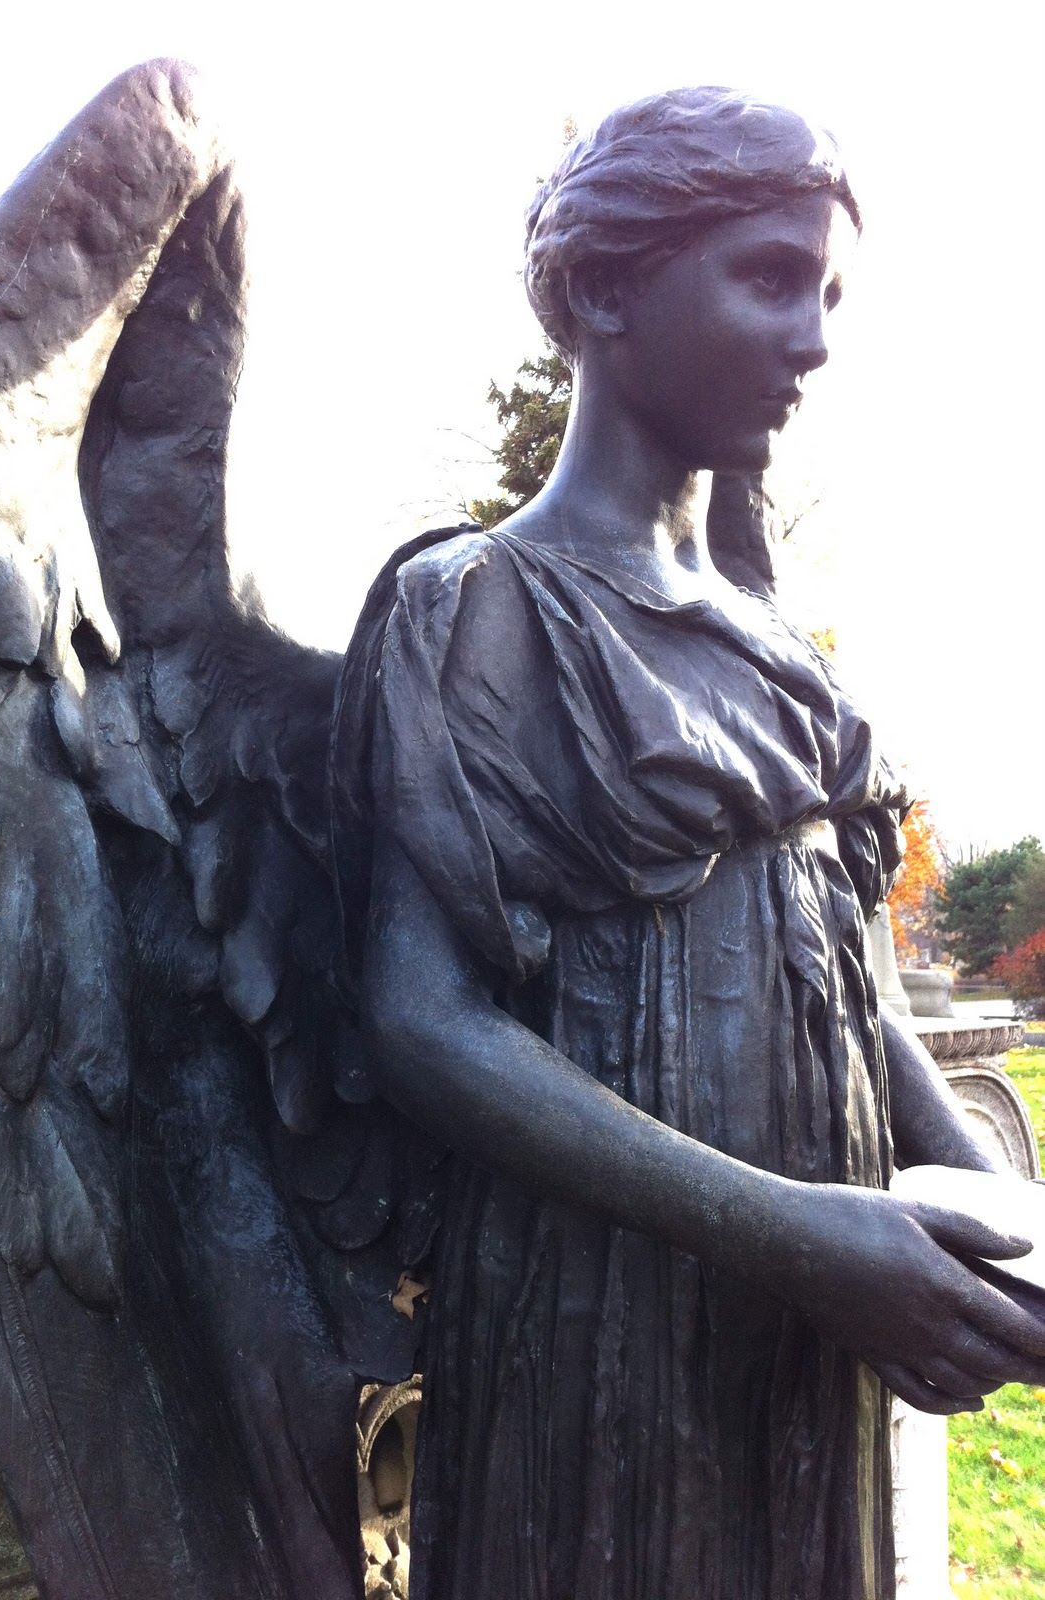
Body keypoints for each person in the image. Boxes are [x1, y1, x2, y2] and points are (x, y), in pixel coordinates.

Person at [330, 87, 1045, 1599]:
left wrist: (983, 1203)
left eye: (832, 293)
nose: (817, 340)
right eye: (771, 278)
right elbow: (420, 1021)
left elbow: (854, 989)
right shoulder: (478, 610)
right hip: (601, 1329)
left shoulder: (781, 653)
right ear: (603, 290)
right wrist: (792, 1234)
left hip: (805, 1341)